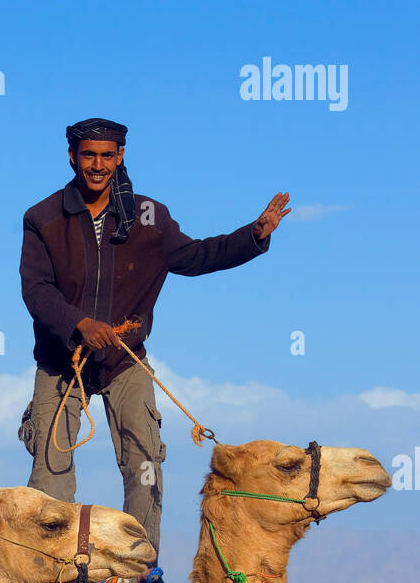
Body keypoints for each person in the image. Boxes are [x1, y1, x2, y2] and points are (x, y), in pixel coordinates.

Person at [19, 117, 290, 554]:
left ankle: (141, 578)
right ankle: (55, 578)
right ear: (72, 156)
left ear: (120, 157)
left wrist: (253, 236)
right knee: (49, 476)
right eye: (89, 155)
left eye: (107, 155)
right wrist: (79, 325)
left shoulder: (150, 216)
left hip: (126, 361)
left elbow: (197, 255)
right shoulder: (43, 217)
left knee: (145, 466)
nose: (98, 164)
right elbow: (36, 289)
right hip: (61, 360)